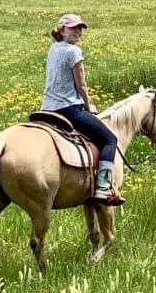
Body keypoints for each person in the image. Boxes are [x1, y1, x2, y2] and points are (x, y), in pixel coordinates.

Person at [41, 13, 125, 205]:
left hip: (47, 108)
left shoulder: (54, 48)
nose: (78, 31)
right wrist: (89, 106)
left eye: (80, 28)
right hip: (68, 108)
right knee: (110, 139)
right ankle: (104, 186)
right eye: (73, 28)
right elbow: (82, 85)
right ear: (62, 31)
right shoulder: (73, 51)